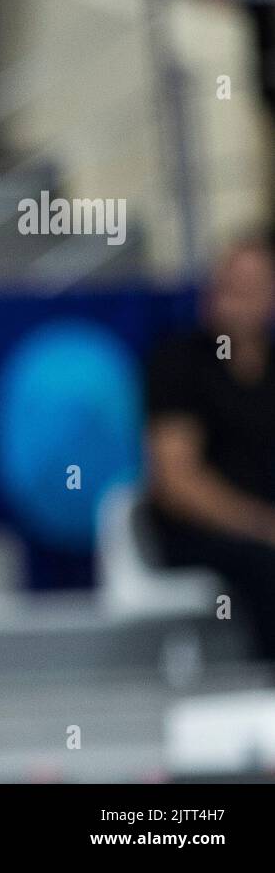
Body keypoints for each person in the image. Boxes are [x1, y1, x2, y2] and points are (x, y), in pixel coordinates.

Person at [145, 235, 275, 661]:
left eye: (244, 289)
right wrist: (259, 524)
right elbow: (177, 482)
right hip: (199, 532)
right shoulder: (179, 363)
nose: (228, 299)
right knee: (264, 564)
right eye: (224, 285)